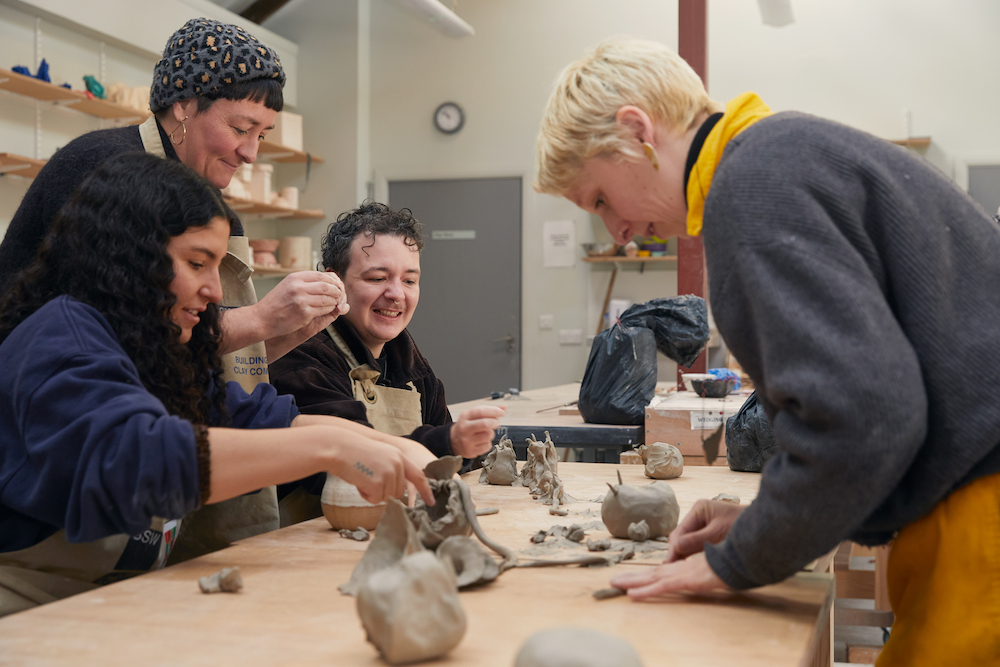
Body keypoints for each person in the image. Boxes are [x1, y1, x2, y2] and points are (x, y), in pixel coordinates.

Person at [533, 37, 1000, 666]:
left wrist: (739, 560)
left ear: (637, 132)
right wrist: (764, 526)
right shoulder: (781, 152)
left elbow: (863, 418)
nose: (615, 232)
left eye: (598, 200)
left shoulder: (753, 184)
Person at [0, 153, 433, 618]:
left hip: (114, 596)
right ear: (129, 256)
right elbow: (142, 459)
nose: (214, 291)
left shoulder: (149, 346)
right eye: (197, 263)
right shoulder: (61, 341)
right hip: (30, 605)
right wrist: (330, 448)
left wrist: (392, 449)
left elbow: (247, 416)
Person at [0, 17, 350, 558]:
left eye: (263, 135)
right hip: (58, 473)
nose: (252, 152)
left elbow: (212, 374)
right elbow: (118, 350)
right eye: (240, 128)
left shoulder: (207, 197)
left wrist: (284, 338)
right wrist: (261, 321)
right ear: (183, 105)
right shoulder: (108, 178)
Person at [270, 201, 504, 523]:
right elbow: (348, 466)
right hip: (312, 543)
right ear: (333, 283)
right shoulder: (301, 355)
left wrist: (463, 444)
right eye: (378, 278)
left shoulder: (410, 364)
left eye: (409, 280)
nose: (397, 294)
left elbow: (447, 457)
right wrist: (448, 442)